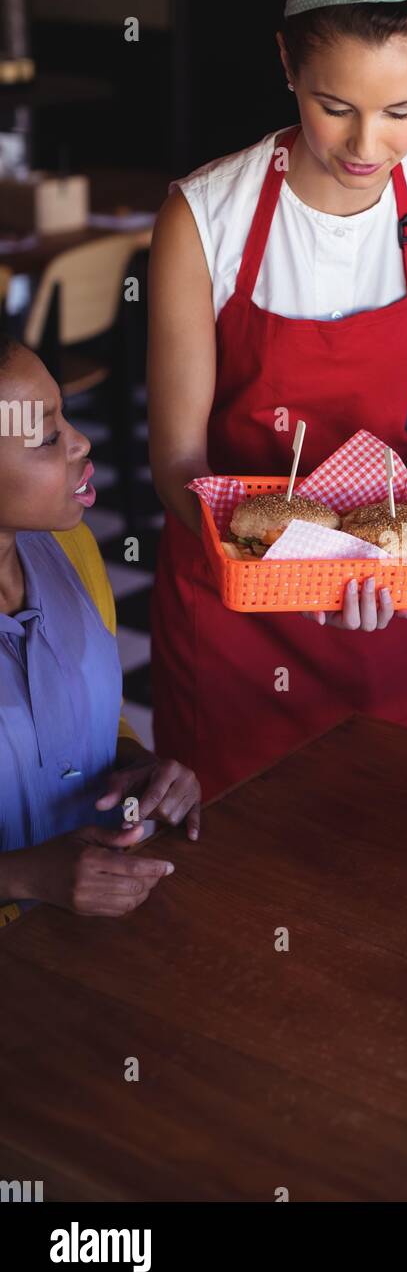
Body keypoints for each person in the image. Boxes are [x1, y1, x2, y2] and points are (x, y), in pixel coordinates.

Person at [148, 0, 407, 803]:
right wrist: (268, 566)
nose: (364, 144)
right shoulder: (204, 218)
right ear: (286, 63)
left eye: (401, 112)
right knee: (219, 849)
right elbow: (177, 459)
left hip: (381, 592)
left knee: (374, 833)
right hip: (228, 596)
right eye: (334, 106)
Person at [0, 335, 201, 923]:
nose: (80, 441)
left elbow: (93, 721)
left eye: (64, 415)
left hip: (90, 943)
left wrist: (139, 765)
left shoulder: (73, 549)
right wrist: (22, 875)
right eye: (47, 436)